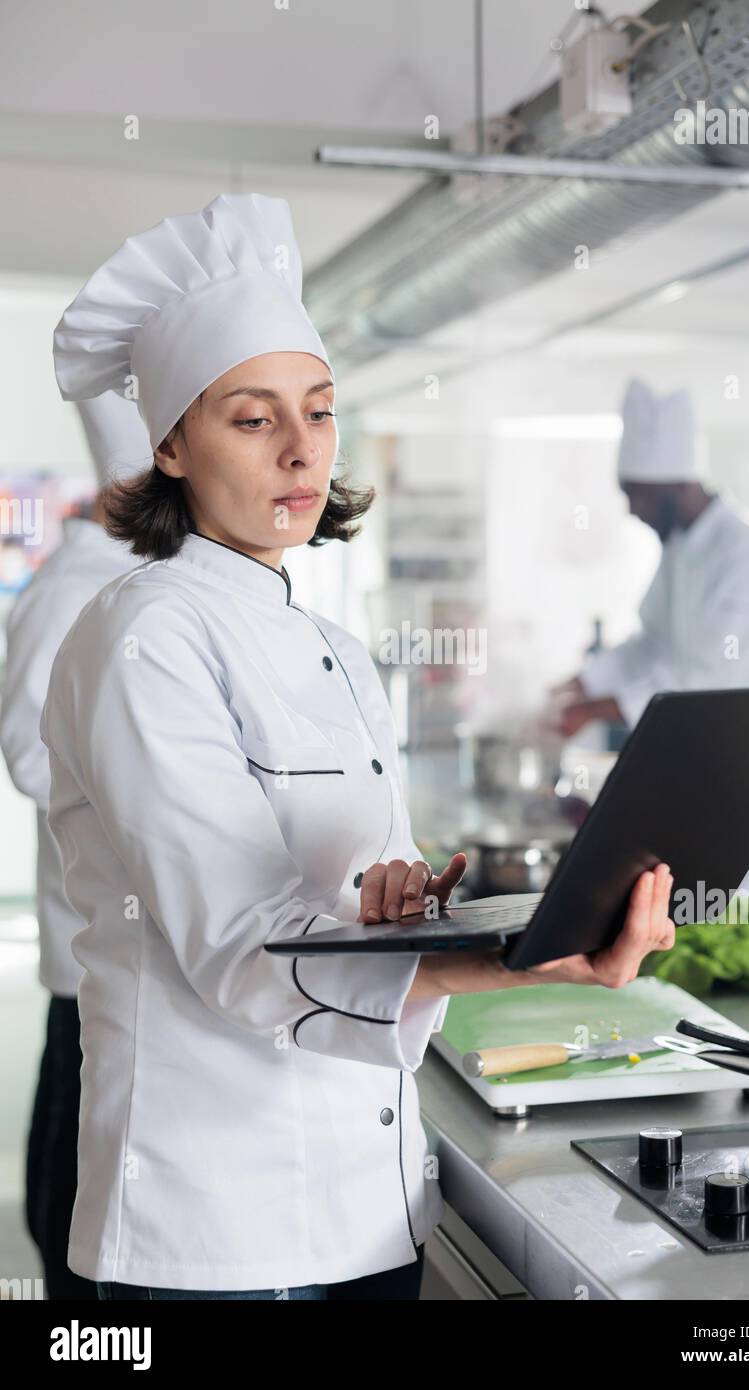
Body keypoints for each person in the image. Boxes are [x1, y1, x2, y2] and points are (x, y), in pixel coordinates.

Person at [45, 194, 675, 1300]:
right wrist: (507, 960)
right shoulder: (141, 636)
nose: (301, 449)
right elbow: (241, 946)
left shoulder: (328, 644)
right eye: (253, 418)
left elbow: (322, 900)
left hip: (367, 1204)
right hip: (219, 1231)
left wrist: (394, 900)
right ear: (171, 443)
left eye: (321, 410)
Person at [0, 391, 150, 1299]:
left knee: (86, 1142)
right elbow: (27, 750)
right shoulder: (70, 585)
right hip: (87, 936)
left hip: (122, 939)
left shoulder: (142, 574)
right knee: (70, 1159)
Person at [552, 379, 749, 816]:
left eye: (637, 495)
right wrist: (579, 684)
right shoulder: (680, 549)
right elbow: (651, 642)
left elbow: (709, 684)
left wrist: (594, 709)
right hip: (727, 776)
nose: (632, 511)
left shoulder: (743, 554)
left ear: (673, 486)